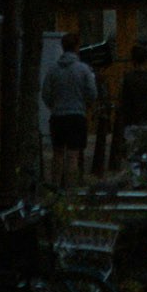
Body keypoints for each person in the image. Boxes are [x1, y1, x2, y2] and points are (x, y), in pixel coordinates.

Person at [39, 28, 100, 184]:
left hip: (58, 116)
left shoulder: (53, 70)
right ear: (77, 47)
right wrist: (85, 104)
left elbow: (45, 93)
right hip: (76, 115)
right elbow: (92, 93)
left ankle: (55, 186)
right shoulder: (84, 70)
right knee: (73, 155)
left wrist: (54, 106)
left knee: (57, 154)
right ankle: (70, 189)